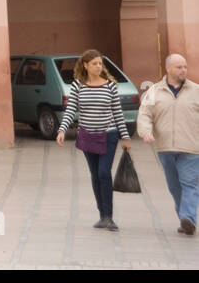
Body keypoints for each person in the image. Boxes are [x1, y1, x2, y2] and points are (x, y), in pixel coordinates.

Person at [56, 49, 131, 230]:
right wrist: (62, 130)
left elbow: (118, 113)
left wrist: (125, 137)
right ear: (86, 65)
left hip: (108, 134)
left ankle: (109, 216)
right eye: (95, 64)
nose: (98, 67)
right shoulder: (78, 86)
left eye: (100, 63)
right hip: (87, 135)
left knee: (104, 173)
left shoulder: (110, 86)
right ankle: (102, 215)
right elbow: (71, 109)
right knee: (95, 175)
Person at [138, 53, 199, 235]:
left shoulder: (196, 90)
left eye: (185, 67)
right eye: (179, 67)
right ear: (168, 69)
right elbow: (145, 114)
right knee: (174, 186)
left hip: (191, 147)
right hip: (165, 148)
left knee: (189, 183)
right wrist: (146, 132)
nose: (183, 70)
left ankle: (188, 217)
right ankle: (184, 217)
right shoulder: (154, 91)